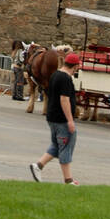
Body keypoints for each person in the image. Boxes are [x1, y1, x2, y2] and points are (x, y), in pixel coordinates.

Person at [30, 51, 81, 185]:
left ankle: (38, 166)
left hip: (52, 117)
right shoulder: (65, 79)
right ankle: (68, 180)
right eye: (78, 66)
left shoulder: (55, 75)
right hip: (61, 119)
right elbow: (64, 100)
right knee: (66, 146)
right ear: (75, 66)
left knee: (57, 145)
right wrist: (70, 120)